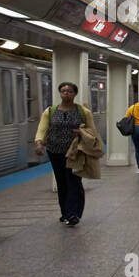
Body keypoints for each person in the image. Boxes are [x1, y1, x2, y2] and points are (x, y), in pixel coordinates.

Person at [34, 81, 96, 225]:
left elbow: (92, 131)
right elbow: (42, 129)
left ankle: (74, 213)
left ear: (75, 94)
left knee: (74, 181)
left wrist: (82, 132)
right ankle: (65, 212)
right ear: (60, 93)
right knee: (61, 182)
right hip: (55, 151)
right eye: (63, 91)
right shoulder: (50, 111)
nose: (66, 93)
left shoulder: (83, 112)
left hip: (76, 152)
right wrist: (39, 143)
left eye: (69, 91)